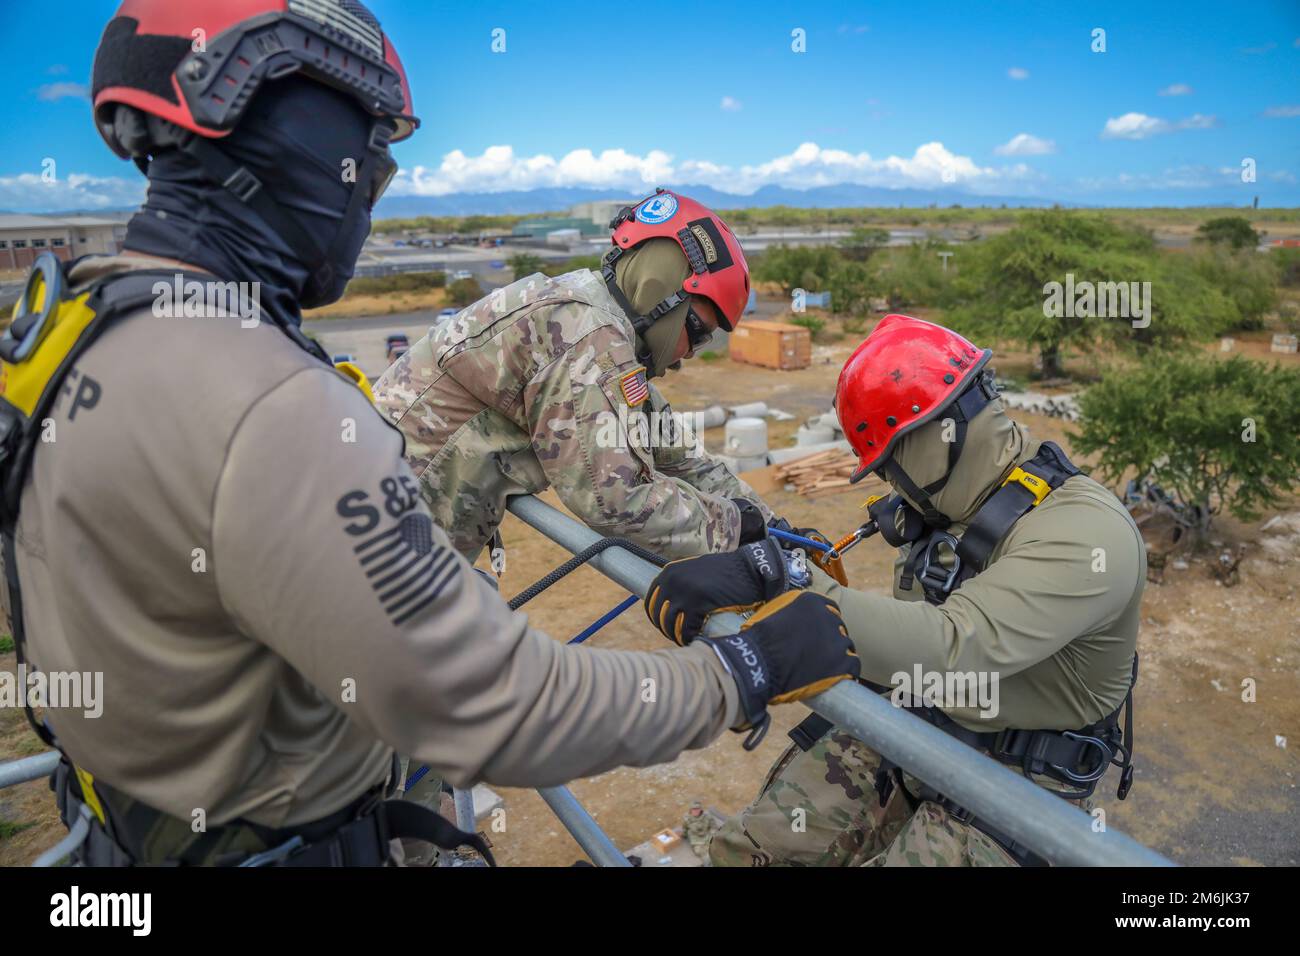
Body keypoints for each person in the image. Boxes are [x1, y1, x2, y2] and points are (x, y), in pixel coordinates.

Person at [0, 0, 859, 867]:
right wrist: (744, 670)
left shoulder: (73, 327)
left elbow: (653, 437)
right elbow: (499, 705)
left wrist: (744, 513)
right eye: (369, 162)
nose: (372, 194)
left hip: (115, 830)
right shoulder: (275, 408)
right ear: (297, 138)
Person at [640, 315, 1142, 866]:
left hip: (1021, 779)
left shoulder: (1085, 533)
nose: (892, 487)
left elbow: (957, 646)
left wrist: (782, 579)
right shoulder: (960, 510)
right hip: (917, 722)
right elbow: (896, 644)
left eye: (888, 466)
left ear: (929, 438)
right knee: (758, 852)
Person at [373, 189, 778, 568]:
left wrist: (775, 526)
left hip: (396, 526)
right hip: (382, 539)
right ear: (663, 293)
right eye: (697, 330)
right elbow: (619, 501)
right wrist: (736, 529)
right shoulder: (584, 334)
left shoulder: (597, 319)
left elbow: (678, 455)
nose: (691, 351)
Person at [682, 800, 718, 865]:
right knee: (703, 854)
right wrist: (683, 835)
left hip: (708, 836)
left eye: (697, 809)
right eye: (693, 809)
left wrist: (712, 835)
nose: (695, 811)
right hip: (697, 840)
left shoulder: (707, 816)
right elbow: (685, 828)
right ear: (690, 809)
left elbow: (714, 827)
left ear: (700, 809)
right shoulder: (687, 818)